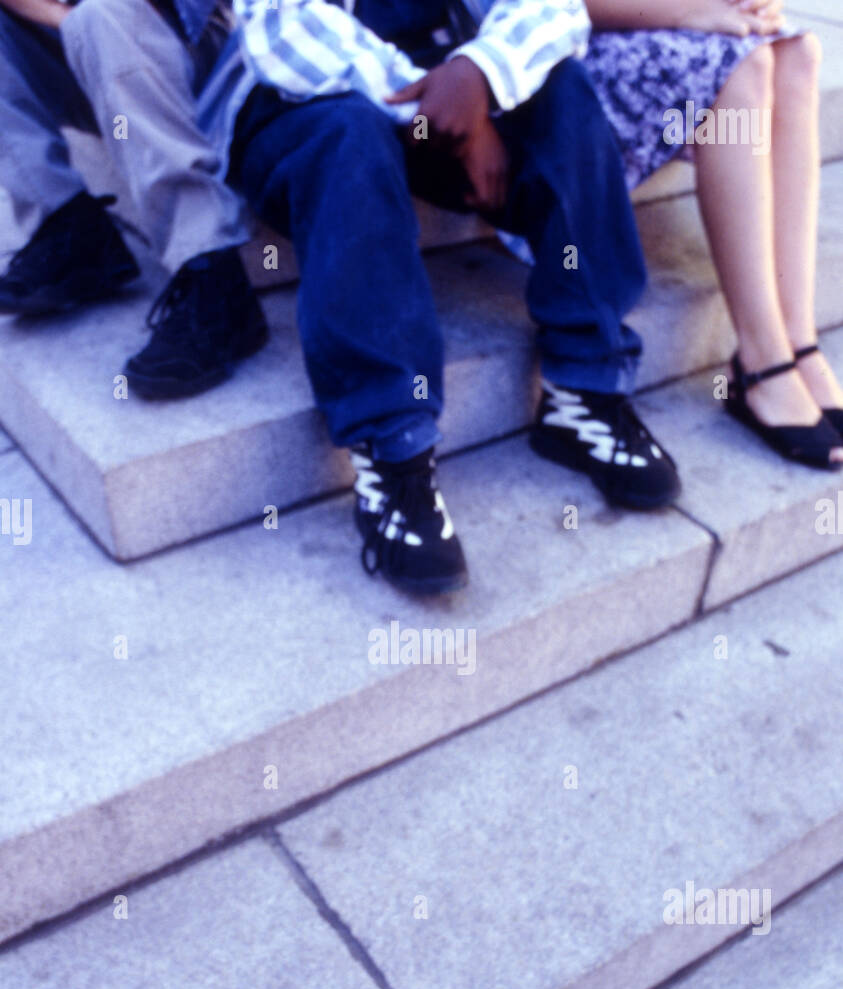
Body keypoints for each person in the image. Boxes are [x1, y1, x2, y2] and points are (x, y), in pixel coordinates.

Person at [194, 0, 682, 594]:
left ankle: (585, 389)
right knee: (349, 133)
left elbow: (552, 8)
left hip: (438, 82)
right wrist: (449, 109)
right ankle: (391, 446)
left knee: (563, 87)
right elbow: (289, 31)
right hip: (290, 100)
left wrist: (479, 73)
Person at [583, 0, 843, 468]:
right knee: (744, 64)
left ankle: (796, 339)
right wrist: (687, 13)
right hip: (552, 52)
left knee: (797, 51)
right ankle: (761, 362)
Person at [0, 0, 267, 398]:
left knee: (104, 15)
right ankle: (70, 226)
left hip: (204, 49)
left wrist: (77, 21)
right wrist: (64, 20)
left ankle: (213, 274)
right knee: (95, 19)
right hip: (93, 48)